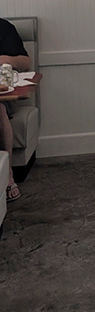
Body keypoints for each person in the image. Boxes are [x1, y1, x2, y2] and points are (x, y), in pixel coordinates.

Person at [0, 18, 31, 202]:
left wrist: (4, 59)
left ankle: (7, 175)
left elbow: (25, 63)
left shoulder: (4, 28)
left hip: (4, 95)